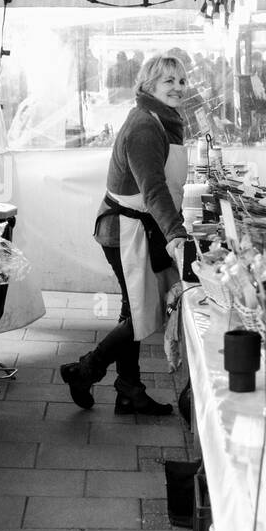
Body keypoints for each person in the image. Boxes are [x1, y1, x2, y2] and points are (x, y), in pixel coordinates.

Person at [59, 53, 190, 416]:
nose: (178, 87)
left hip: (139, 227)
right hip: (125, 230)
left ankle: (129, 390)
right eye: (169, 81)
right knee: (143, 311)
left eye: (181, 80)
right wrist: (175, 232)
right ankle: (85, 371)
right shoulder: (146, 126)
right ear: (149, 86)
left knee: (132, 308)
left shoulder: (164, 119)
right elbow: (154, 190)